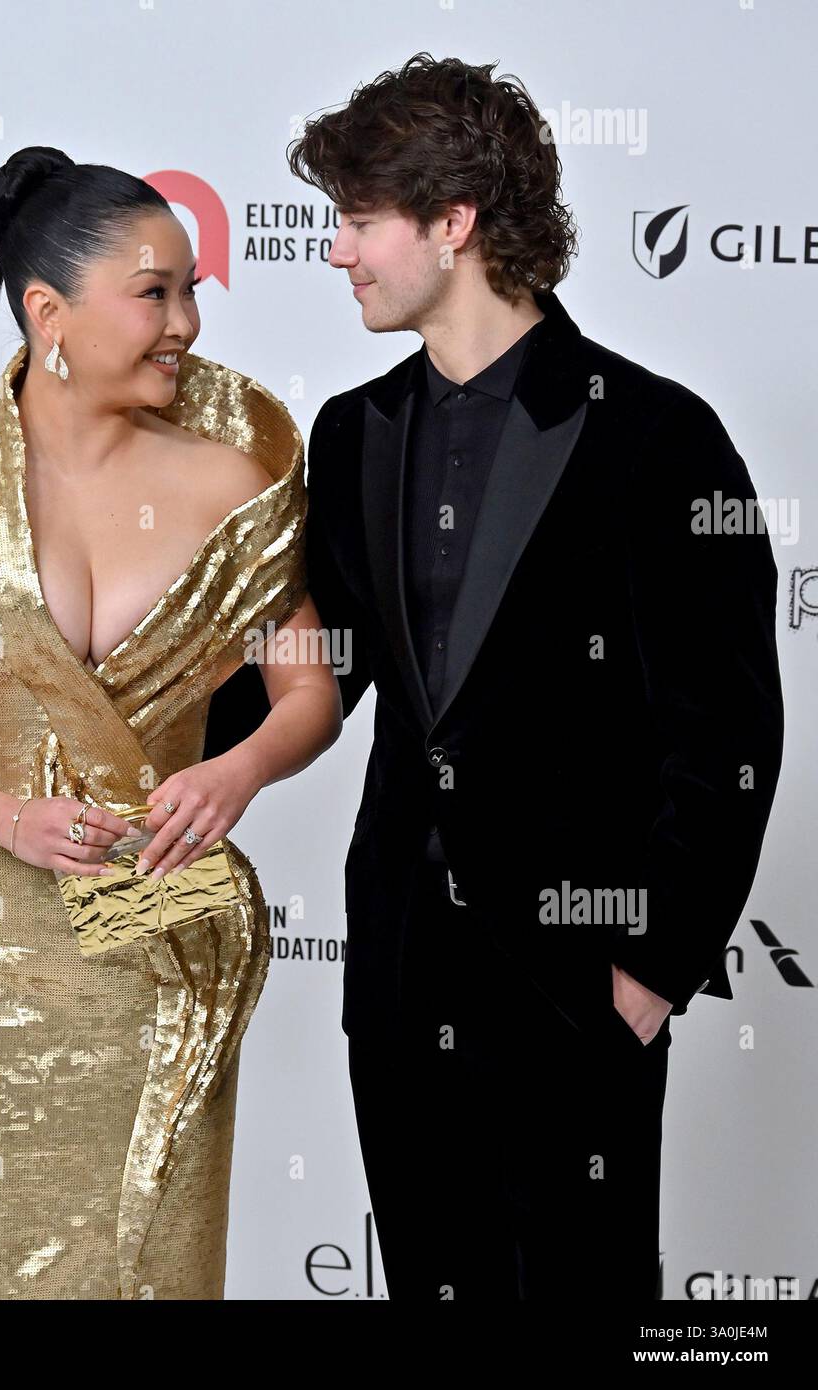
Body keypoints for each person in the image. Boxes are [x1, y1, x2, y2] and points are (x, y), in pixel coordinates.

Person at [209, 53, 784, 1299]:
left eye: (358, 222)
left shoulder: (655, 434)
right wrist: (155, 749)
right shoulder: (351, 430)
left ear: (451, 222)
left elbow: (727, 726)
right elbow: (331, 660)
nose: (337, 253)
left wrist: (646, 969)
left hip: (575, 980)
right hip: (404, 975)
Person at [0, 146, 341, 1300]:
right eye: (153, 292)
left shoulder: (226, 483)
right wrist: (7, 820)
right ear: (47, 311)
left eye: (191, 290)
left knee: (157, 1260)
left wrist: (238, 769)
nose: (187, 322)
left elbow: (310, 691)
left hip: (164, 944)